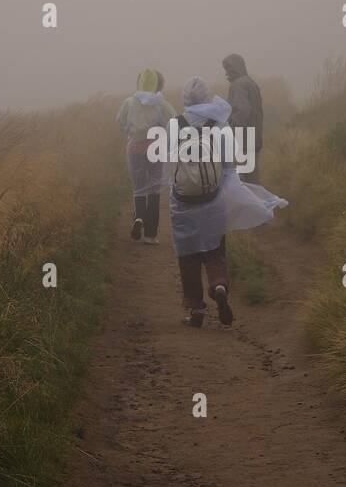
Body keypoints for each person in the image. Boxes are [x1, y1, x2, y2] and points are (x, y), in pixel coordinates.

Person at [170, 77, 287, 327]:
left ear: (185, 99)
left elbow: (170, 164)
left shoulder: (175, 125)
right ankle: (219, 285)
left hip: (183, 202)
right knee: (214, 250)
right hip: (213, 198)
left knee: (188, 255)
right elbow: (229, 165)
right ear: (207, 96)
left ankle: (195, 310)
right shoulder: (219, 125)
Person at [116, 68, 177, 243]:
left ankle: (139, 217)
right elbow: (174, 121)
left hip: (134, 147)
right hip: (155, 148)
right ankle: (151, 235)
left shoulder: (129, 102)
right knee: (155, 188)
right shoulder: (161, 104)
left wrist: (130, 131)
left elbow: (120, 122)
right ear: (159, 84)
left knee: (139, 187)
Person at [222, 53, 263, 180]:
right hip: (254, 137)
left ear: (234, 68)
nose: (226, 73)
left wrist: (230, 133)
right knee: (251, 178)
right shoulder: (251, 83)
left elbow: (241, 112)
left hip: (244, 140)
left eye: (228, 69)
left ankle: (253, 200)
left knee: (245, 182)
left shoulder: (238, 85)